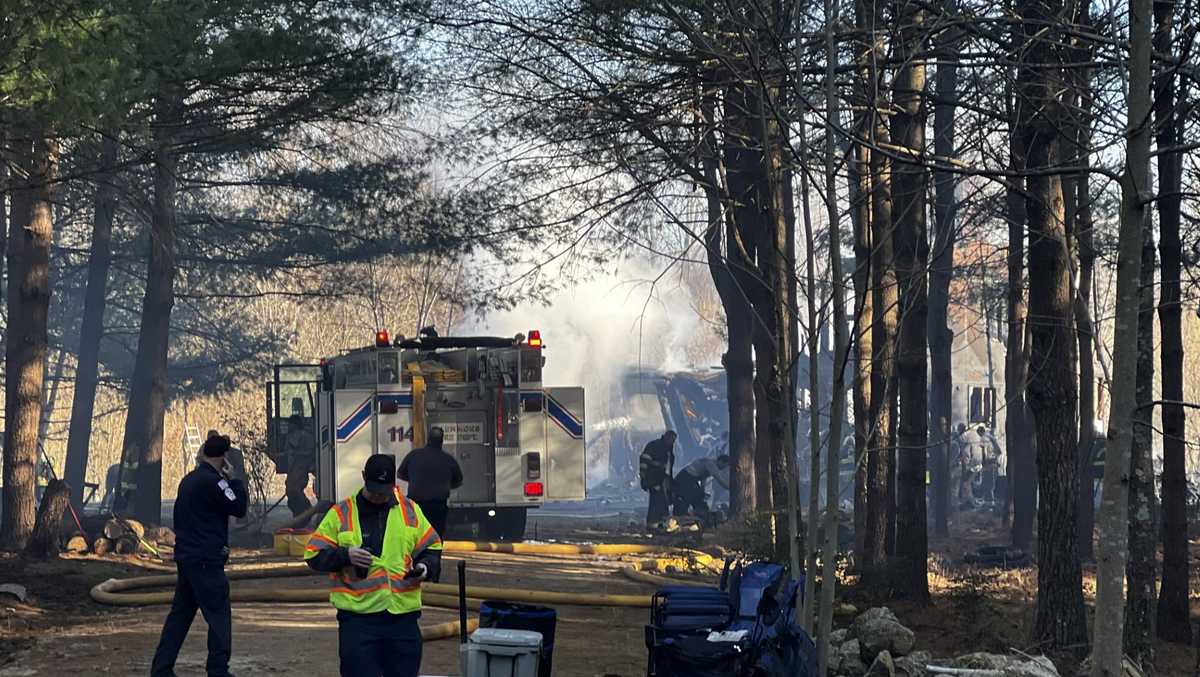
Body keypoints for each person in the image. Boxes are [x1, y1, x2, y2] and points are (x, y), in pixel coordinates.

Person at [304, 454, 443, 677]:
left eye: (384, 491)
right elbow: (313, 555)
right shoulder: (342, 513)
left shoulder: (410, 510)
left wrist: (425, 567)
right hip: (359, 621)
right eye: (374, 490)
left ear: (393, 486)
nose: (379, 496)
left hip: (402, 618)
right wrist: (345, 555)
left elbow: (432, 546)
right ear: (363, 479)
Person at [150, 435, 248, 677]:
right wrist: (234, 479)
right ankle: (218, 670)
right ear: (223, 458)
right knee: (218, 616)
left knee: (180, 617)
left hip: (187, 557)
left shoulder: (188, 480)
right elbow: (239, 508)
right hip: (206, 560)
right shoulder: (216, 482)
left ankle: (161, 669)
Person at [398, 426, 463, 537]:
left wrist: (413, 480)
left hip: (415, 505)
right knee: (435, 536)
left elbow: (400, 474)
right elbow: (458, 481)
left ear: (428, 439)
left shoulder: (414, 455)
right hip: (438, 507)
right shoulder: (448, 459)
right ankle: (434, 553)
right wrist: (446, 485)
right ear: (442, 440)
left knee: (415, 534)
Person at [672, 454, 730, 521]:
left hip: (686, 478)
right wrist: (729, 488)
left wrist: (702, 491)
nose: (723, 468)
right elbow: (719, 479)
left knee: (698, 495)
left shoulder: (709, 461)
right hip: (685, 479)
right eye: (724, 466)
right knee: (686, 497)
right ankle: (683, 516)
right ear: (721, 461)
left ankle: (697, 515)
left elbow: (703, 477)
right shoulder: (712, 465)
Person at [639, 431, 676, 530]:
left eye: (673, 440)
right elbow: (644, 459)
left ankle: (662, 523)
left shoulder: (668, 450)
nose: (672, 442)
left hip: (663, 480)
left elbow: (668, 469)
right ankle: (653, 524)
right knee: (656, 500)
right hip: (653, 479)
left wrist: (669, 484)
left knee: (664, 501)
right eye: (671, 439)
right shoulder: (655, 446)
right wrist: (644, 477)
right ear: (666, 437)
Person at [284, 413, 315, 517]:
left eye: (291, 424)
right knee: (290, 491)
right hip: (293, 469)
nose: (289, 426)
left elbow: (310, 452)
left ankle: (305, 511)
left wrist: (298, 454)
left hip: (301, 468)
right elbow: (287, 452)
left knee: (294, 491)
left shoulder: (305, 436)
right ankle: (299, 515)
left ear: (295, 424)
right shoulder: (290, 436)